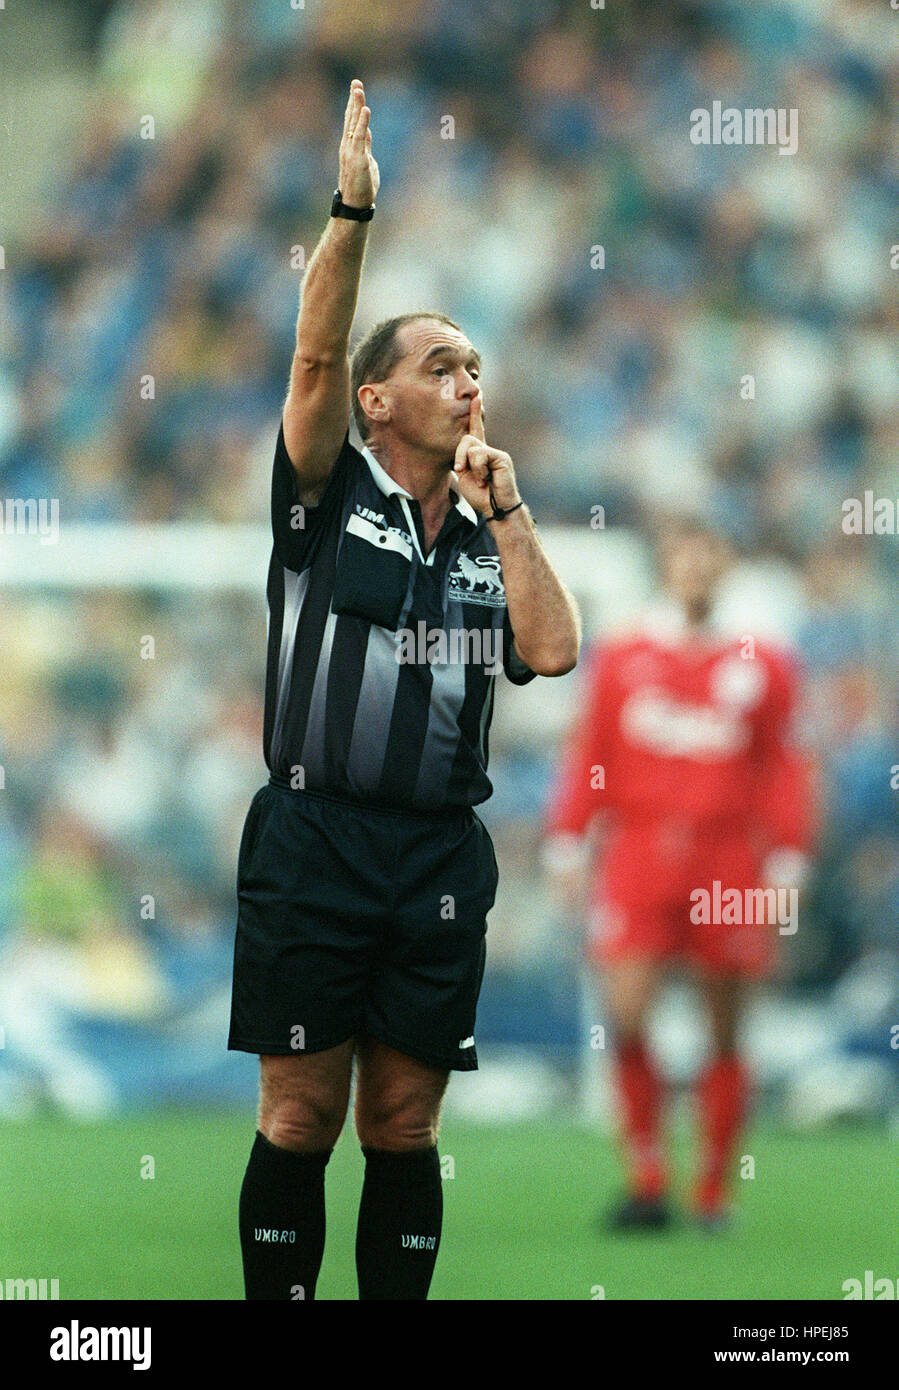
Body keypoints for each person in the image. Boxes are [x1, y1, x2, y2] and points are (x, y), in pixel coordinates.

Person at [229, 79, 580, 1299]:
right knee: (297, 1114)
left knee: (403, 1124)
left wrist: (514, 507)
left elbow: (550, 653)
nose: (467, 380)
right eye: (440, 364)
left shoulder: (492, 533)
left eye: (476, 365)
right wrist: (350, 213)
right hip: (311, 833)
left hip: (435, 853)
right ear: (378, 400)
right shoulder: (323, 492)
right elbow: (316, 345)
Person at [545, 517, 813, 1229]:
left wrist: (788, 856)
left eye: (709, 552)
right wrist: (567, 841)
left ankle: (713, 1191)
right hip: (637, 855)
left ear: (724, 564)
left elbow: (782, 767)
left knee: (724, 1025)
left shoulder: (764, 663)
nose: (695, 566)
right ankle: (647, 1176)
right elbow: (589, 755)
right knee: (625, 1011)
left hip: (727, 858)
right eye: (684, 553)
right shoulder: (624, 654)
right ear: (668, 564)